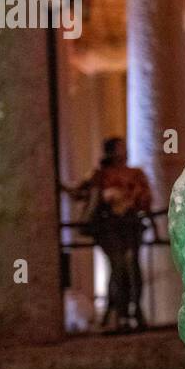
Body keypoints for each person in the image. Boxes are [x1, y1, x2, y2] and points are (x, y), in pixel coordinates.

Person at [67, 138, 152, 331]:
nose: (124, 152)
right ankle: (119, 313)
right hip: (109, 228)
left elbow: (145, 198)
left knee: (132, 266)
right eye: (120, 148)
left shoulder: (135, 174)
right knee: (118, 266)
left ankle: (133, 309)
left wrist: (129, 201)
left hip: (130, 225)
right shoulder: (99, 175)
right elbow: (79, 193)